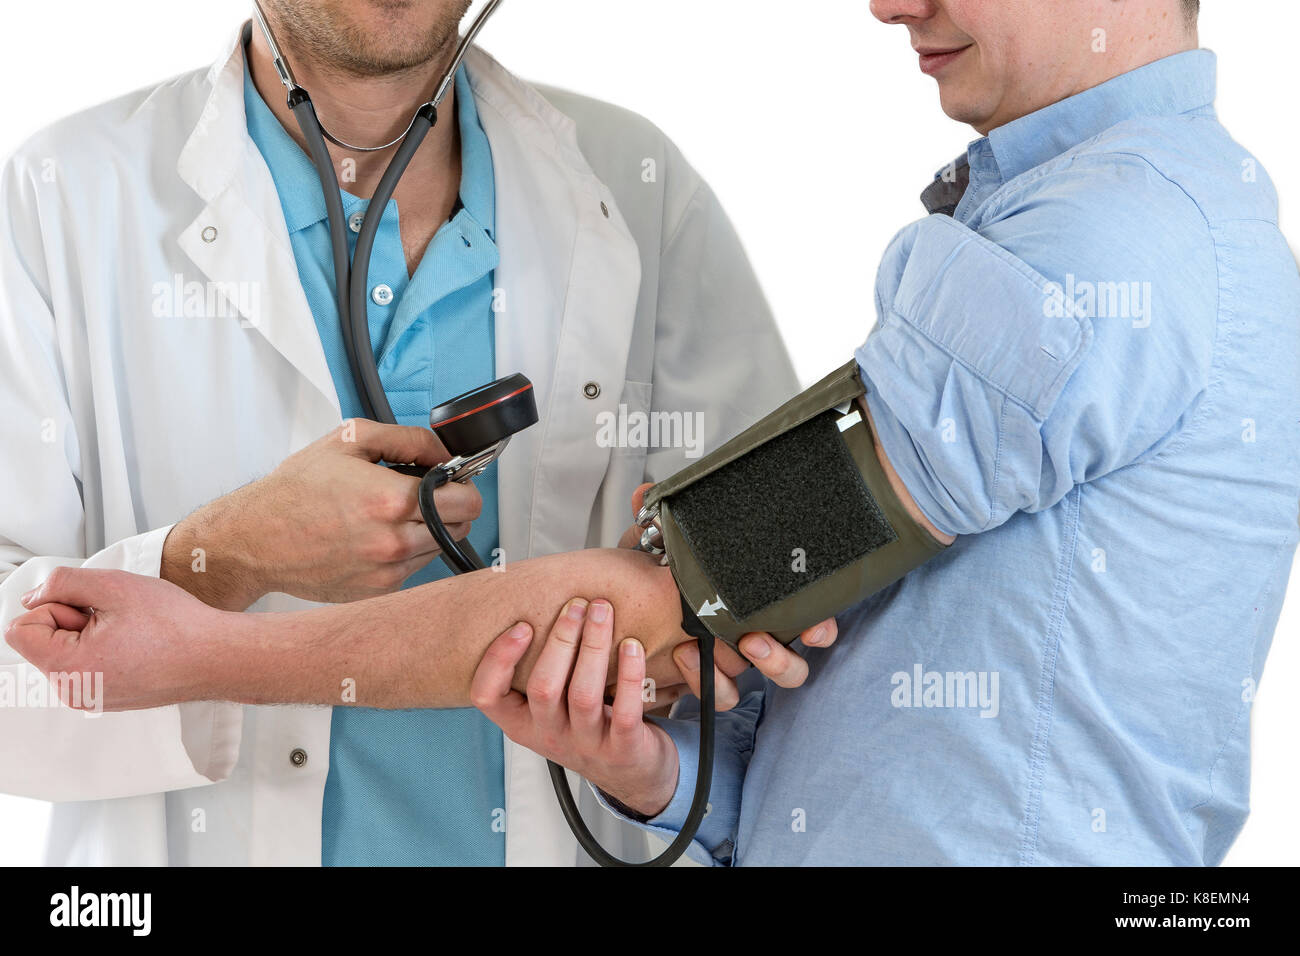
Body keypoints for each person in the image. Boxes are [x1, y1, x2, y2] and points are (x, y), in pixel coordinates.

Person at [11, 0, 1298, 868]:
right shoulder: (55, 200)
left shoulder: (1102, 247)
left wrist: (218, 650)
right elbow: (771, 682)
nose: (885, 1)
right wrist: (644, 756)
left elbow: (691, 594)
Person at [0, 0, 811, 866]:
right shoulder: (61, 199)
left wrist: (658, 658)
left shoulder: (637, 184)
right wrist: (224, 556)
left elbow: (780, 618)